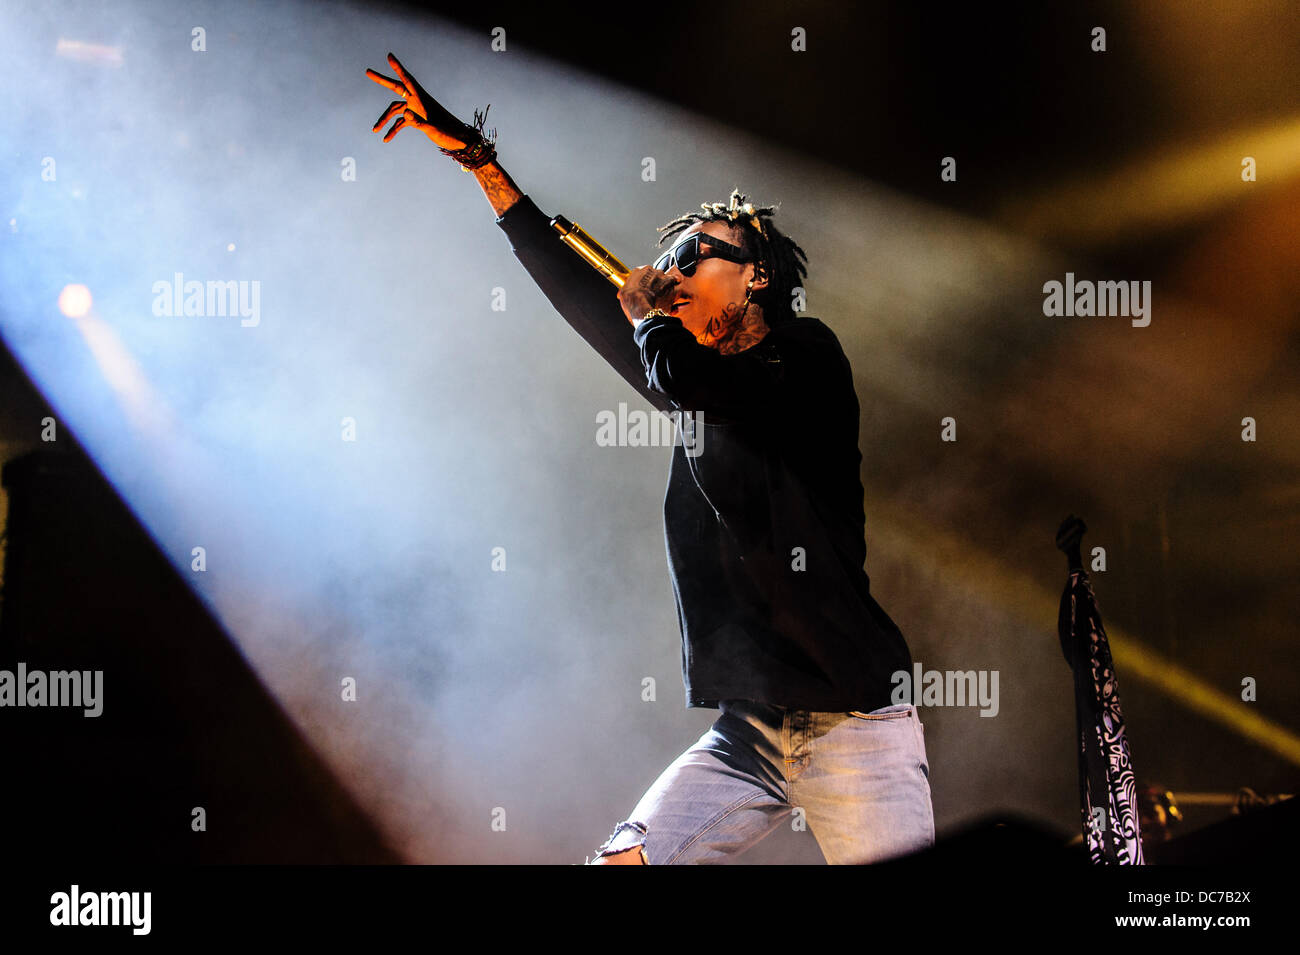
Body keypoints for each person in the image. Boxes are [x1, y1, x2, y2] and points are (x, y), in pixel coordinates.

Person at [367, 53, 934, 864]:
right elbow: (582, 300)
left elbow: (691, 378)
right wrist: (482, 164)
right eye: (667, 264)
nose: (672, 273)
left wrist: (648, 319)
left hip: (859, 725)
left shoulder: (805, 356)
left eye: (697, 255)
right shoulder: (683, 375)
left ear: (758, 274)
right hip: (751, 730)